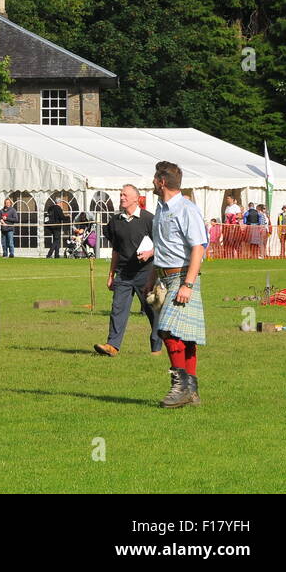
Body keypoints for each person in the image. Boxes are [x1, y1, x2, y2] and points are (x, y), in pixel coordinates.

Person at [144, 161, 208, 408]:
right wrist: (152, 277)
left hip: (183, 278)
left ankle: (180, 387)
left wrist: (188, 284)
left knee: (168, 331)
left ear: (162, 182)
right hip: (165, 276)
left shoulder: (186, 209)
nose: (152, 183)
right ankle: (191, 391)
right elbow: (161, 248)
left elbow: (198, 247)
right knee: (186, 336)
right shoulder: (160, 209)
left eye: (154, 179)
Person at [94, 184, 160, 357]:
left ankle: (157, 347)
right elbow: (116, 250)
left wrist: (149, 253)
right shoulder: (115, 221)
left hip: (146, 274)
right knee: (117, 309)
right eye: (121, 194)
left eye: (125, 195)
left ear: (136, 199)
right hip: (123, 274)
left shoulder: (149, 219)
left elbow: (160, 245)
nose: (121, 197)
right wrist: (111, 275)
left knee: (152, 311)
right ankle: (112, 346)